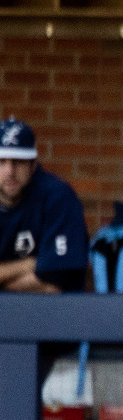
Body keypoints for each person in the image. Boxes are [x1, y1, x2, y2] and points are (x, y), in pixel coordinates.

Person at [0, 117, 86, 294]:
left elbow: (55, 282)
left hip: (48, 314)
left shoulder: (57, 195)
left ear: (33, 164)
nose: (10, 172)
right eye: (2, 162)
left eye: (19, 161)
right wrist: (29, 264)